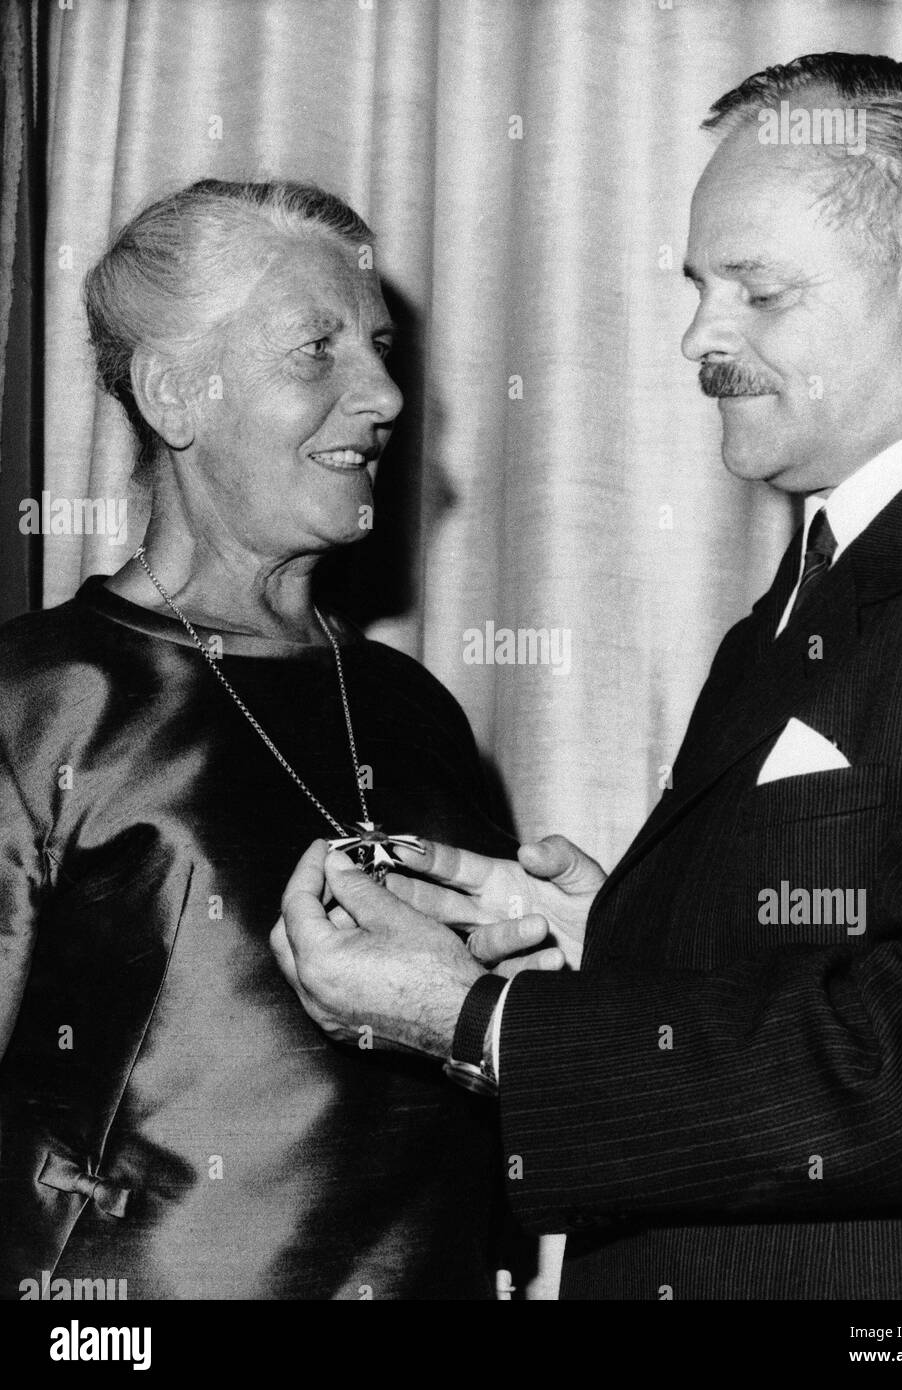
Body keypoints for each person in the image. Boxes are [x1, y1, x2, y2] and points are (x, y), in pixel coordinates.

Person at [272, 54, 902, 1300]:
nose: (698, 338)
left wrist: (478, 1021)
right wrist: (613, 945)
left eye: (758, 291)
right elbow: (840, 953)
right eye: (697, 287)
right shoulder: (816, 585)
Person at [0, 178, 557, 1301]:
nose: (387, 393)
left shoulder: (410, 704)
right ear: (173, 393)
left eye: (382, 348)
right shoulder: (40, 698)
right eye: (318, 349)